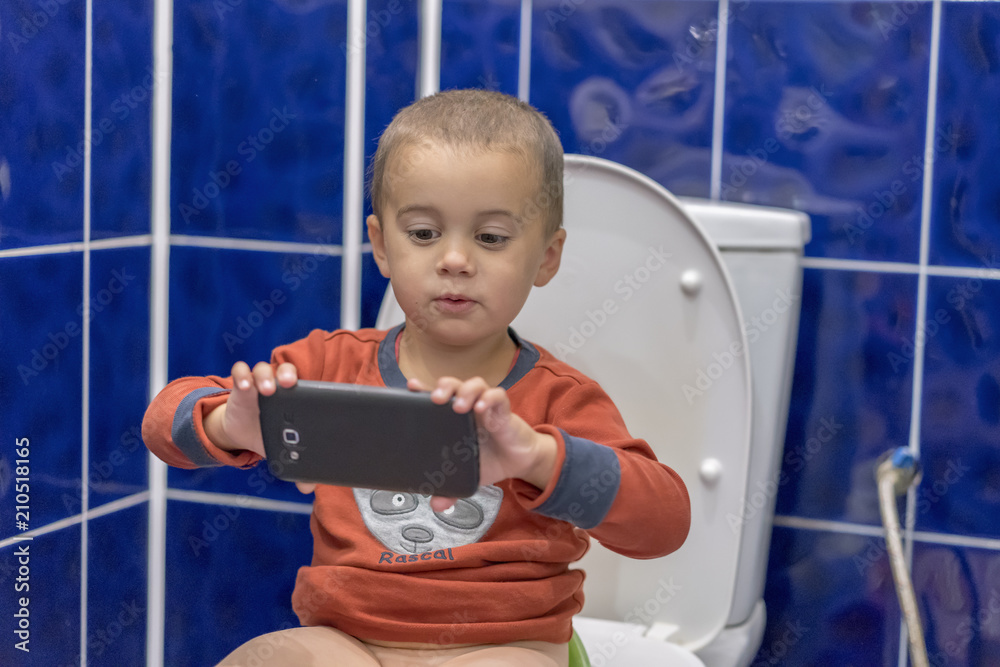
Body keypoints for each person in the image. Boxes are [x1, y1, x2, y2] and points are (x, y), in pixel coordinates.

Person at [142, 89, 691, 667]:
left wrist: (537, 457)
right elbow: (161, 426)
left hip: (502, 645)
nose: (455, 259)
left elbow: (665, 524)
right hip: (348, 643)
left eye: (492, 237)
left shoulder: (558, 398)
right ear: (381, 246)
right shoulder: (328, 367)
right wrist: (229, 424)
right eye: (424, 234)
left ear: (547, 257)